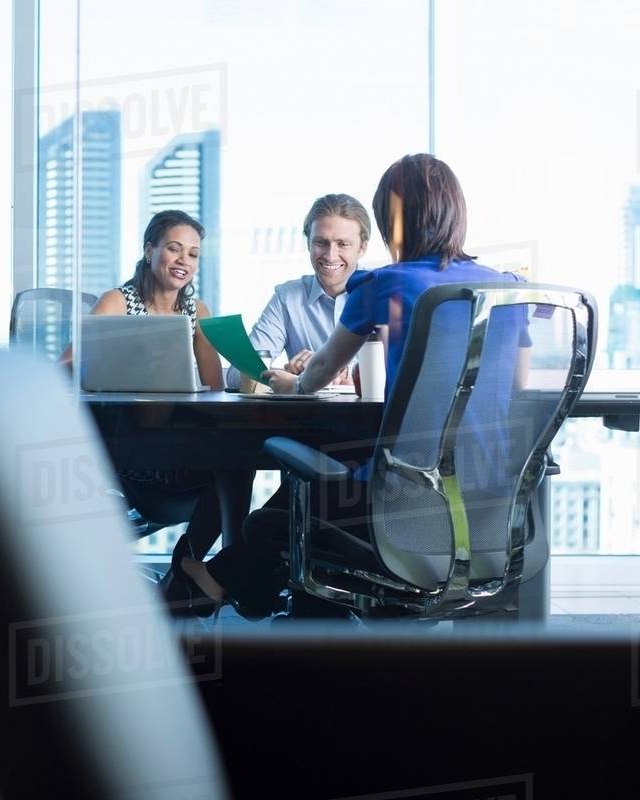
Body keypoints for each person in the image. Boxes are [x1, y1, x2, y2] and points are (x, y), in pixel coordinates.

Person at [180, 154, 531, 619]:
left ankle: (223, 584)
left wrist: (292, 381)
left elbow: (314, 378)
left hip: (406, 509)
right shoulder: (512, 290)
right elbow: (520, 387)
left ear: (385, 225)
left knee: (272, 522)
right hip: (494, 507)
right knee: (314, 492)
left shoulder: (382, 284)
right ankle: (236, 588)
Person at [62, 210, 248, 615]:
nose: (184, 260)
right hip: (130, 454)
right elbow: (70, 364)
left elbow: (215, 388)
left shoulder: (198, 311)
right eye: (174, 249)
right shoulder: (119, 301)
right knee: (228, 469)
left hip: (179, 444)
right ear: (150, 251)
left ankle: (189, 567)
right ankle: (189, 576)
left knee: (238, 464)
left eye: (194, 254)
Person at [226, 193, 371, 388]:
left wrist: (335, 371)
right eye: (321, 242)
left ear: (362, 248)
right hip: (306, 416)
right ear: (309, 243)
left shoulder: (380, 294)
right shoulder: (288, 298)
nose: (330, 255)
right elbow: (237, 374)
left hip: (374, 416)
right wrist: (292, 377)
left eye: (342, 244)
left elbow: (403, 371)